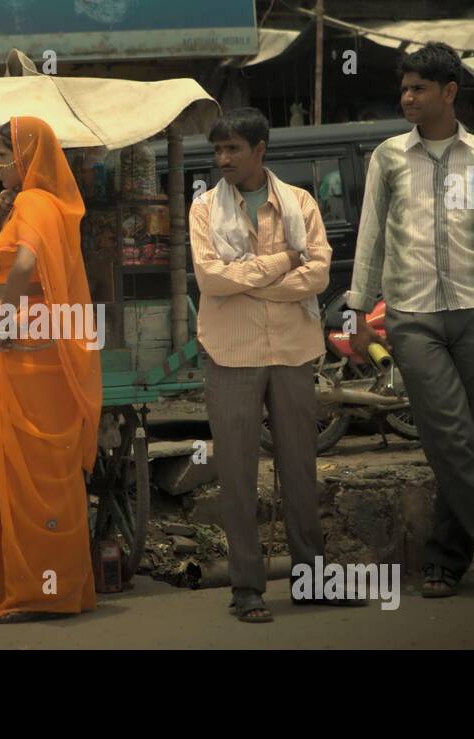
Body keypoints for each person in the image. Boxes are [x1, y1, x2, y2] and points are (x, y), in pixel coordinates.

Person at [348, 42, 474, 604]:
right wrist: (358, 312)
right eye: (404, 88)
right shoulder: (388, 157)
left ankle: (444, 559)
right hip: (410, 318)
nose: (407, 97)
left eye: (418, 88)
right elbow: (369, 238)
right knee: (453, 435)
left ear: (449, 93)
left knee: (467, 440)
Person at [189, 107, 341, 623]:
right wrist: (282, 264)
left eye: (232, 149)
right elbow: (211, 280)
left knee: (300, 469)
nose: (223, 159)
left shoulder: (301, 203)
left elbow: (318, 274)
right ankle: (247, 588)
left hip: (294, 351)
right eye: (217, 151)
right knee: (235, 473)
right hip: (232, 354)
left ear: (260, 149)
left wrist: (249, 281)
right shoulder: (205, 210)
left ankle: (313, 581)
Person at [0, 116, 102, 624]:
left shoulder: (33, 202)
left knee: (26, 468)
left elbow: (20, 269)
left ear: (24, 158)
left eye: (4, 155)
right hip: (46, 344)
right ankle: (59, 589)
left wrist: (6, 305)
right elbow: (0, 269)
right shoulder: (51, 206)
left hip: (27, 346)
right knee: (52, 469)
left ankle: (32, 593)